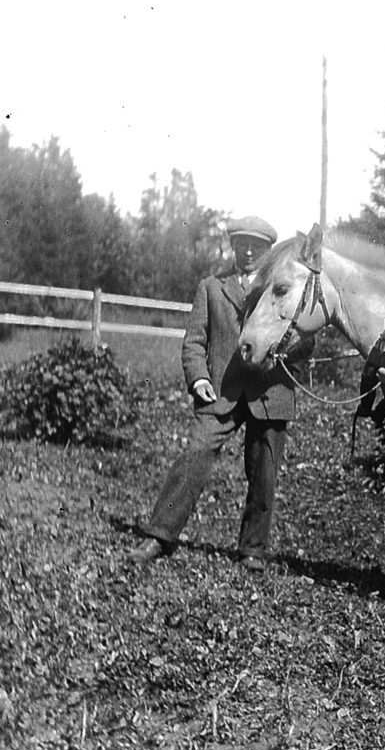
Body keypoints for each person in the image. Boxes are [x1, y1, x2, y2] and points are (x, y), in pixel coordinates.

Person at [128, 215, 311, 572]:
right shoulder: (211, 288)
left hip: (270, 391)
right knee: (195, 453)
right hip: (222, 392)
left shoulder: (283, 288)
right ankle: (160, 535)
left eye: (256, 246)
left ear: (268, 250)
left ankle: (253, 550)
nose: (248, 252)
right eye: (241, 245)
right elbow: (194, 343)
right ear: (232, 246)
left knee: (264, 472)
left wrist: (284, 351)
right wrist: (199, 379)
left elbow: (306, 340)